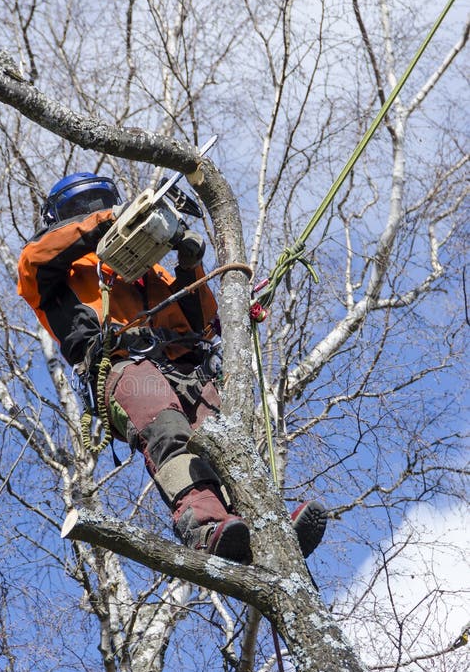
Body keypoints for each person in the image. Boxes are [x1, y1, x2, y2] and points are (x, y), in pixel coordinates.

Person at [17, 172, 327, 564]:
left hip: (188, 367)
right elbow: (38, 255)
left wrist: (187, 263)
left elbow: (204, 320)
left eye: (100, 205)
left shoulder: (150, 271)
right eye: (85, 209)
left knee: (232, 441)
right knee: (167, 429)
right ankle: (204, 526)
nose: (95, 213)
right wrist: (114, 219)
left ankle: (268, 525)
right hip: (123, 364)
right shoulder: (53, 273)